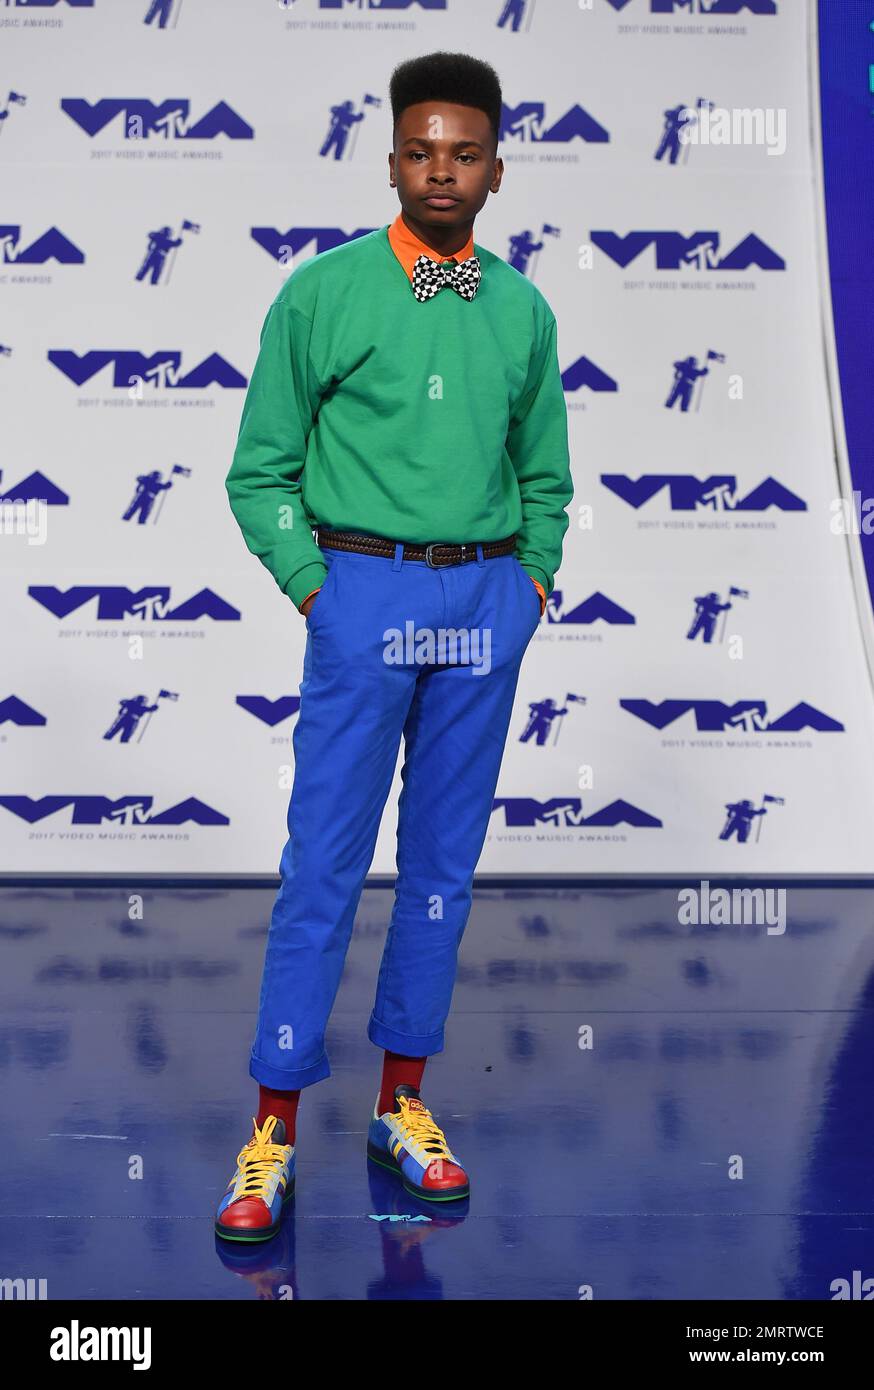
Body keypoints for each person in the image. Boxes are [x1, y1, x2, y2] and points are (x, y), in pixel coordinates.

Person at [216, 51, 573, 1241]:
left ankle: (401, 1106)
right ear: (391, 162)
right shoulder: (321, 293)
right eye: (420, 150)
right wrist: (319, 590)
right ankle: (270, 1126)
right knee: (322, 865)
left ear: (495, 170)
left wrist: (530, 584)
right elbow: (260, 468)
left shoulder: (523, 309)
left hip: (484, 608)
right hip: (363, 595)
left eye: (462, 153)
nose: (440, 170)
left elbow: (547, 476)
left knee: (439, 874)